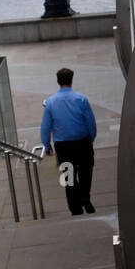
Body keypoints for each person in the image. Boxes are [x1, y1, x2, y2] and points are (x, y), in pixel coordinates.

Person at [41, 67, 97, 216]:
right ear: (71, 80)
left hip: (63, 145)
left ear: (58, 81)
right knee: (86, 171)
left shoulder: (51, 102)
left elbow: (46, 126)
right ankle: (85, 196)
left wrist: (47, 145)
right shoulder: (81, 99)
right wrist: (90, 138)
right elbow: (90, 122)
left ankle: (75, 208)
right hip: (82, 141)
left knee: (69, 177)